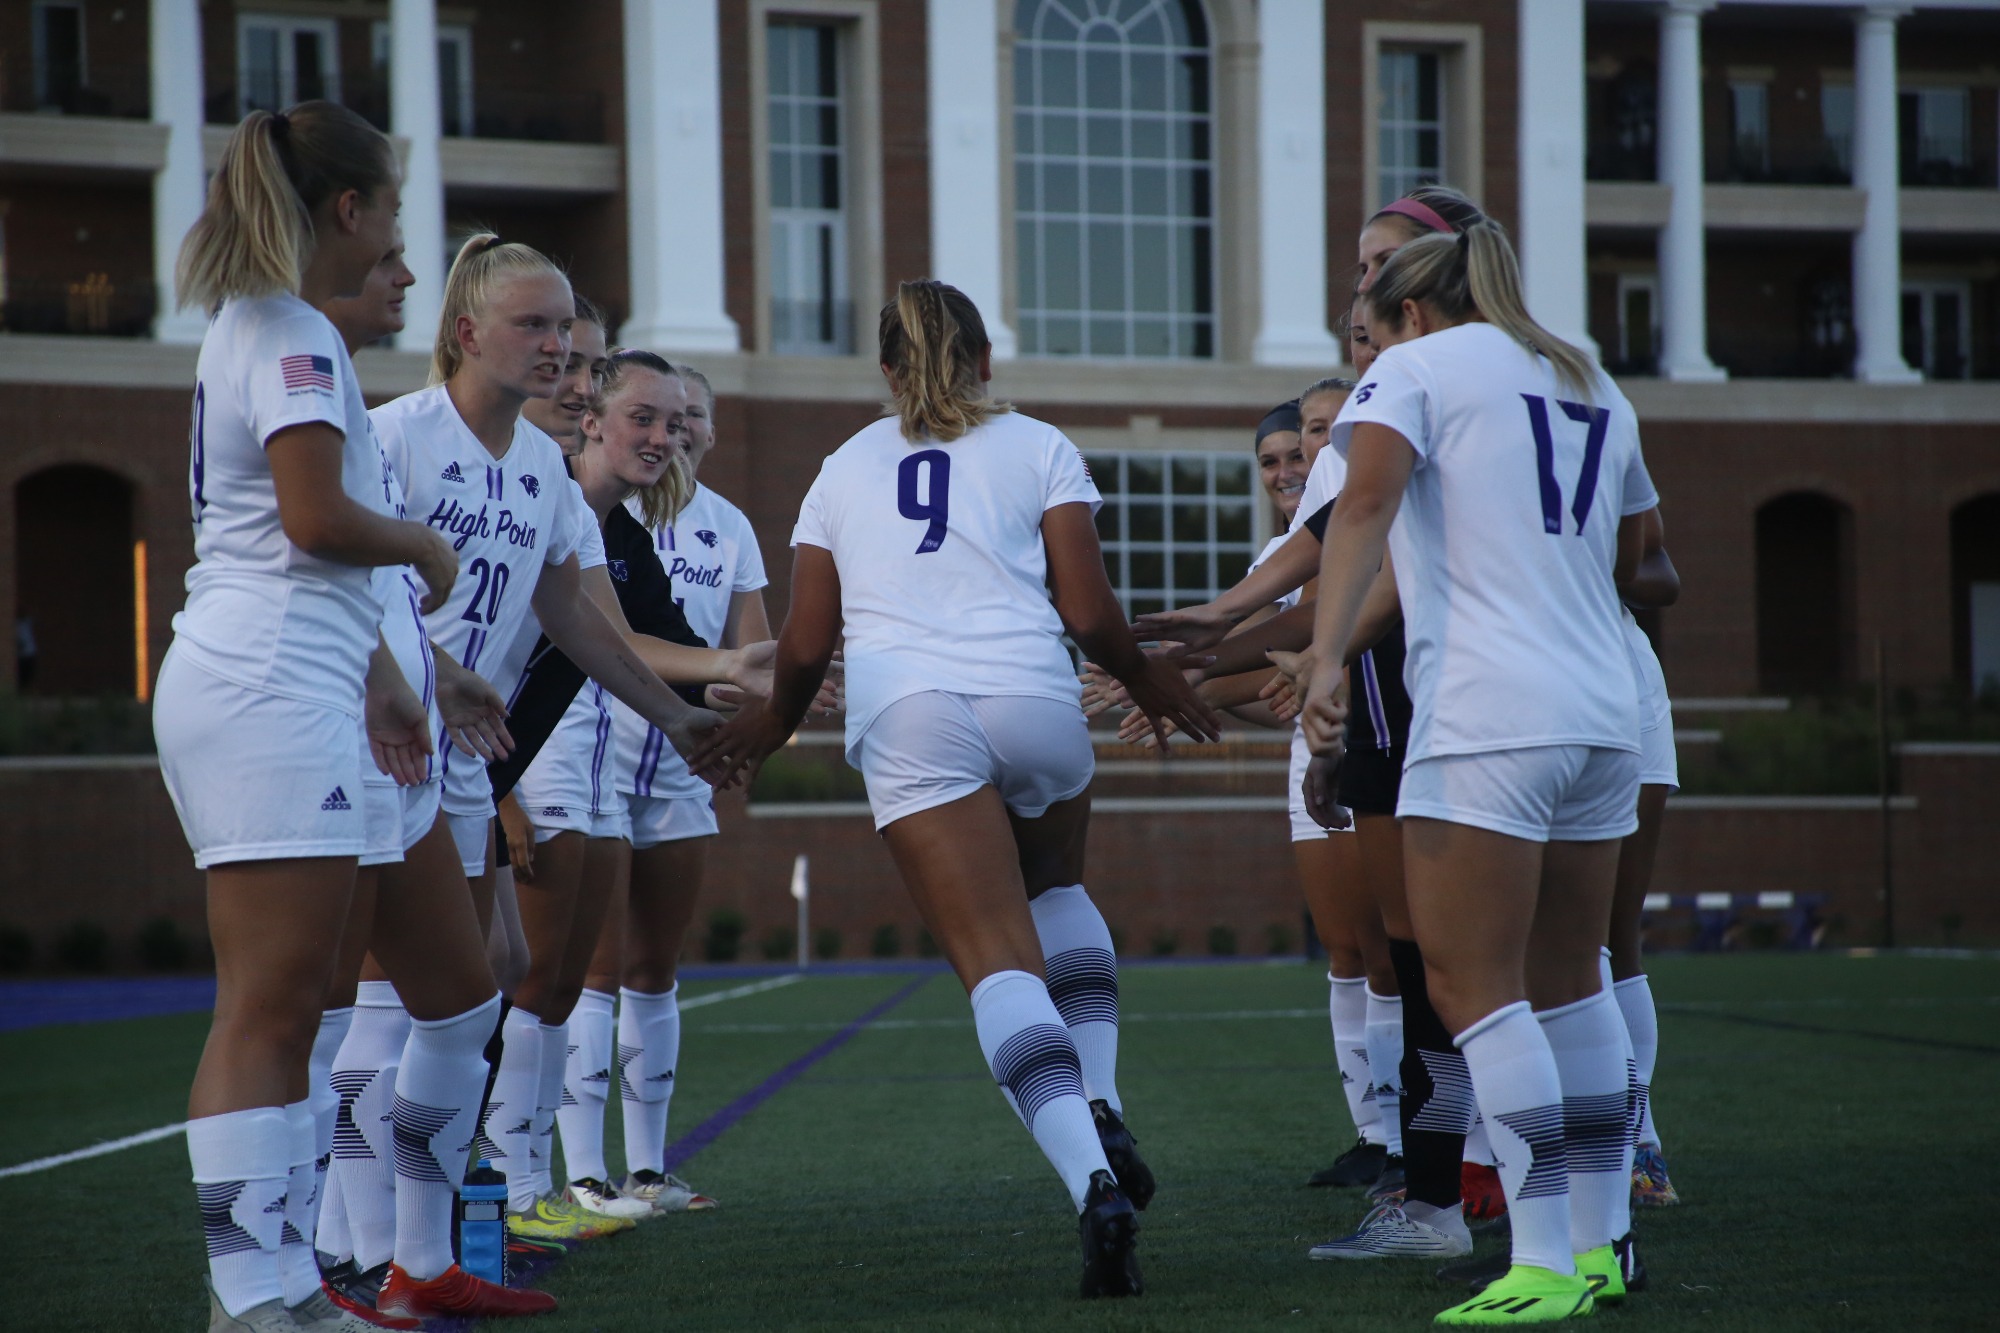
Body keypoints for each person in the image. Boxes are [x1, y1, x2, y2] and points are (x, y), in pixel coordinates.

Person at [690, 280, 1219, 1298]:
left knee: (994, 963)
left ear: (885, 370)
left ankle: (1092, 1180)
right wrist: (1148, 677)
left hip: (910, 711)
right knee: (1056, 890)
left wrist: (774, 724)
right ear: (983, 358)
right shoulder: (1039, 444)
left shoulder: (841, 466)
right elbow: (1088, 611)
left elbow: (804, 643)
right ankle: (1102, 1099)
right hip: (1033, 696)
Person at [155, 102, 540, 1332]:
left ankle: (364, 1266)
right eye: (393, 221)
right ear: (348, 209)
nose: (404, 257)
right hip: (266, 692)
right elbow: (314, 522)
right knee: (275, 1008)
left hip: (320, 689)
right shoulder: (293, 334)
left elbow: (301, 542)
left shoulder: (278, 327)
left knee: (439, 989)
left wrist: (393, 669)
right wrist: (423, 544)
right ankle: (252, 1293)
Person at [1292, 218, 1659, 1323]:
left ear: (1408, 310)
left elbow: (1361, 507)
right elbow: (1637, 556)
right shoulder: (1588, 375)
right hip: (1605, 709)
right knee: (1572, 979)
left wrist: (1322, 657)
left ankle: (1539, 1259)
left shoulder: (1412, 367)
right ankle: (1602, 1244)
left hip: (1489, 713)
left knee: (1470, 988)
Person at [369, 235, 724, 1246]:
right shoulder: (393, 435)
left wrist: (678, 714)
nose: (561, 347)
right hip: (376, 742)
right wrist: (434, 673)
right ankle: (355, 1248)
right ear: (466, 330)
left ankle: (432, 1239)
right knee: (370, 1005)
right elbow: (343, 586)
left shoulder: (542, 472)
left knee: (479, 982)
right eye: (535, 324)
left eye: (566, 327)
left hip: (462, 762)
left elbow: (576, 616)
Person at [559, 360, 774, 1216]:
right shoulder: (597, 508)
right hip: (595, 755)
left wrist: (770, 699)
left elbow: (744, 653)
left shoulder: (727, 524)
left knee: (655, 967)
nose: (675, 433)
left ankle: (646, 1169)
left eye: (689, 418)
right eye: (654, 416)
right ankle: (581, 1172)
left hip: (681, 767)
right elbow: (608, 639)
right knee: (589, 969)